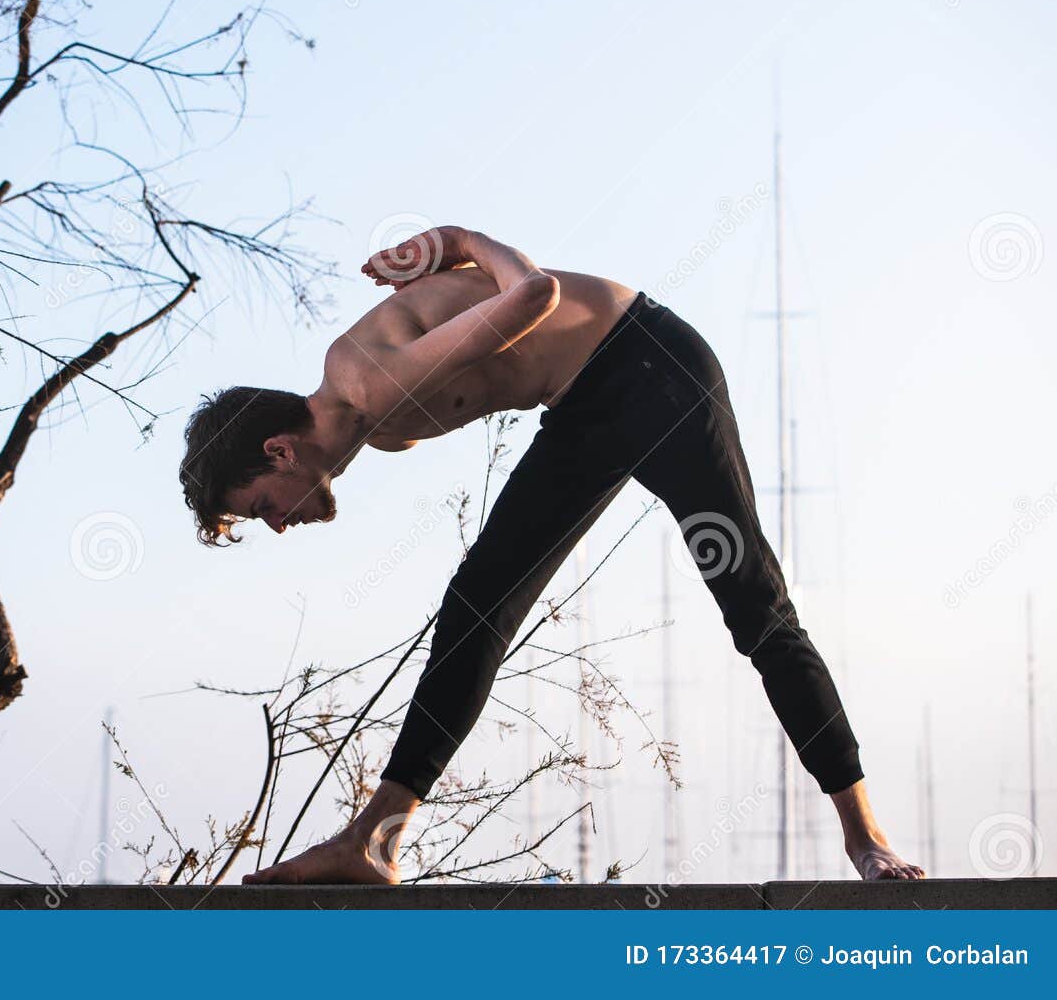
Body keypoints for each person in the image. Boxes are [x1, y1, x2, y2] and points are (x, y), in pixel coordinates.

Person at [177, 224, 925, 884]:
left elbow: (532, 292)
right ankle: (375, 843)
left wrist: (459, 237)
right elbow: (482, 303)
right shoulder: (375, 423)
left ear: (278, 451)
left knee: (754, 606)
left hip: (652, 367)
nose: (278, 524)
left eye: (262, 508)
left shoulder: (372, 387)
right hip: (582, 407)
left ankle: (866, 836)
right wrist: (441, 248)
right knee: (478, 605)